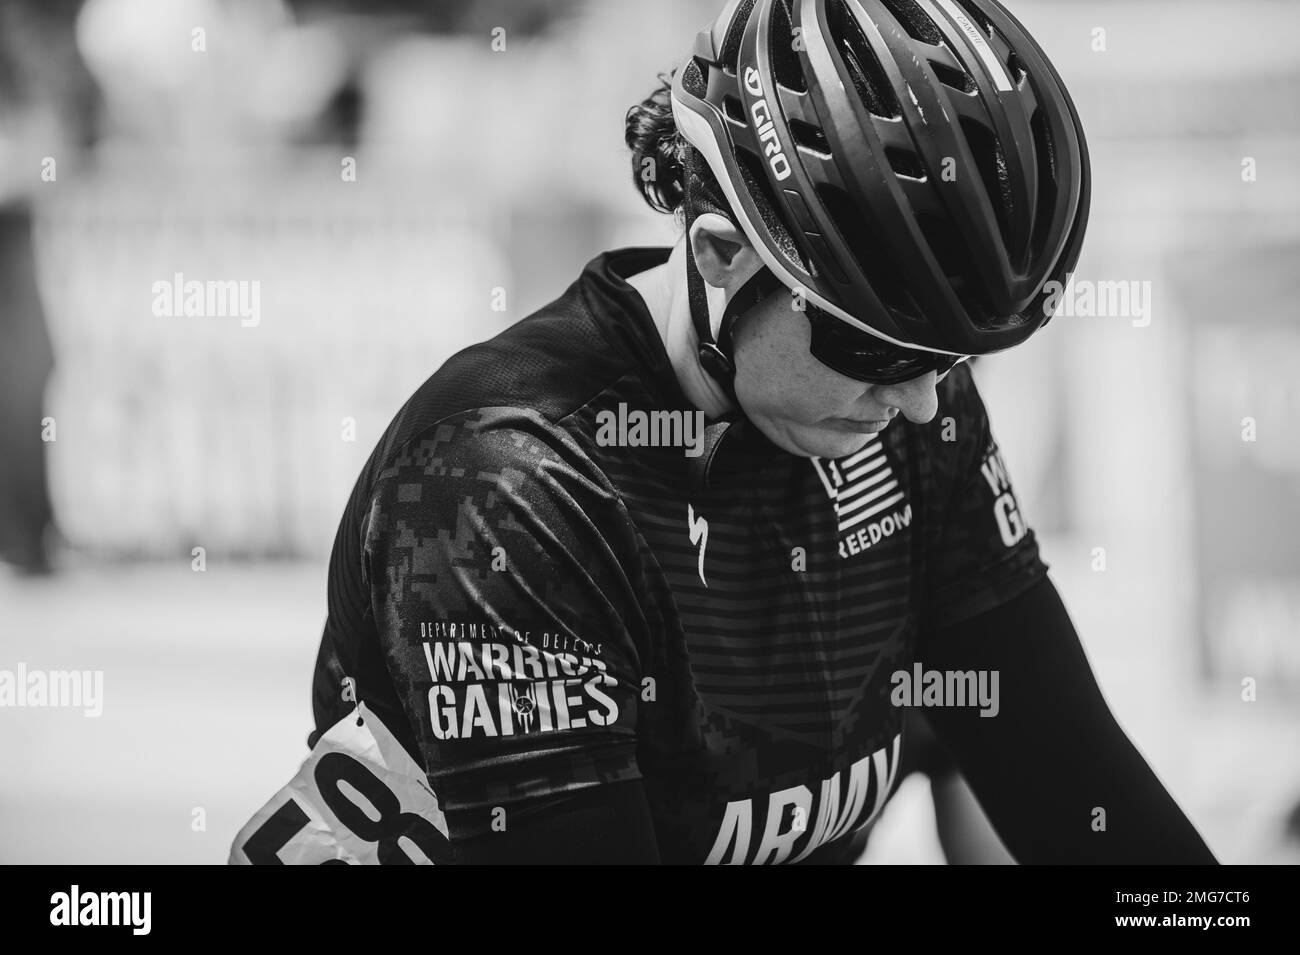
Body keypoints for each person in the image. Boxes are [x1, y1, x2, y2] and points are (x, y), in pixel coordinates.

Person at [307, 0, 1216, 864]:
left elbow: (1079, 791)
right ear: (719, 252)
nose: (924, 406)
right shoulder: (509, 482)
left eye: (949, 360)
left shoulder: (903, 410)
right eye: (881, 351)